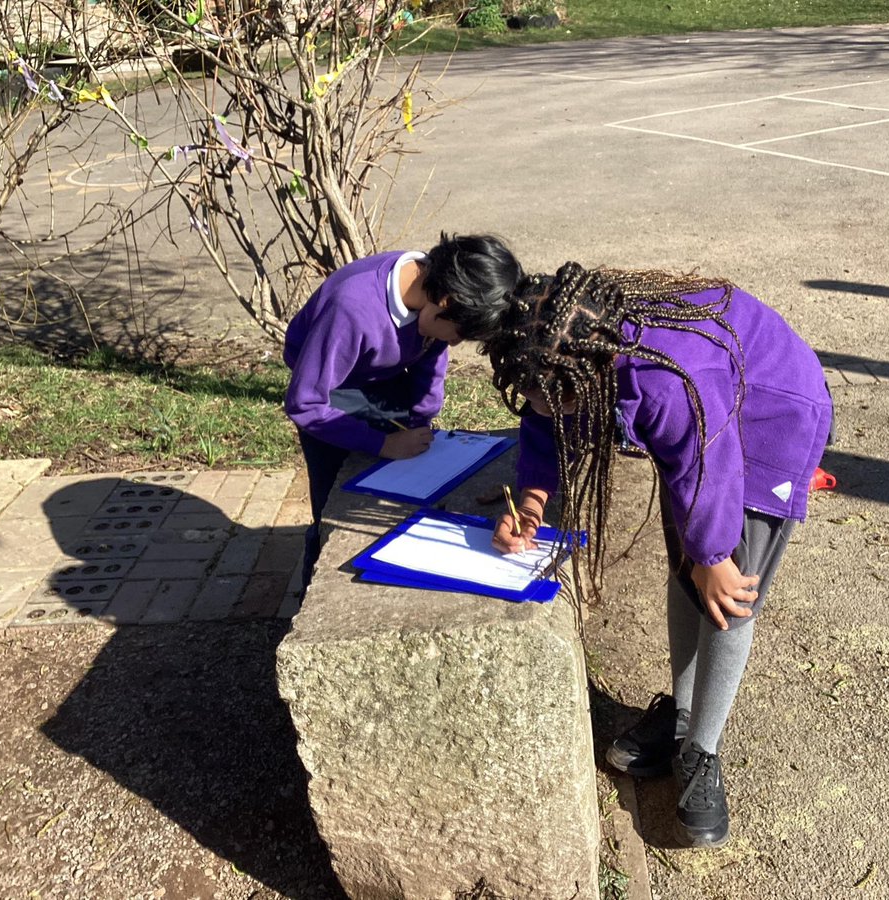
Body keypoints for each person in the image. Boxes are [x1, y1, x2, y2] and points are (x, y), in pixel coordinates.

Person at [483, 262, 832, 848]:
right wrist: (536, 499)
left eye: (558, 398)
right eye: (537, 395)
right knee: (686, 571)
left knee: (728, 596)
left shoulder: (668, 379)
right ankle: (680, 716)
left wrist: (716, 555)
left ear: (592, 373)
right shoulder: (562, 342)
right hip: (709, 417)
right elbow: (546, 423)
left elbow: (712, 462)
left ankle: (703, 748)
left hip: (771, 417)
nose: (545, 406)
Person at [284, 233, 522, 586]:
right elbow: (305, 403)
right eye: (457, 332)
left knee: (399, 480)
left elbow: (431, 350)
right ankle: (315, 581)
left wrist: (422, 417)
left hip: (381, 376)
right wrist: (383, 445)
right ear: (445, 300)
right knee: (336, 498)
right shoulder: (352, 309)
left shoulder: (434, 291)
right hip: (329, 391)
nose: (454, 342)